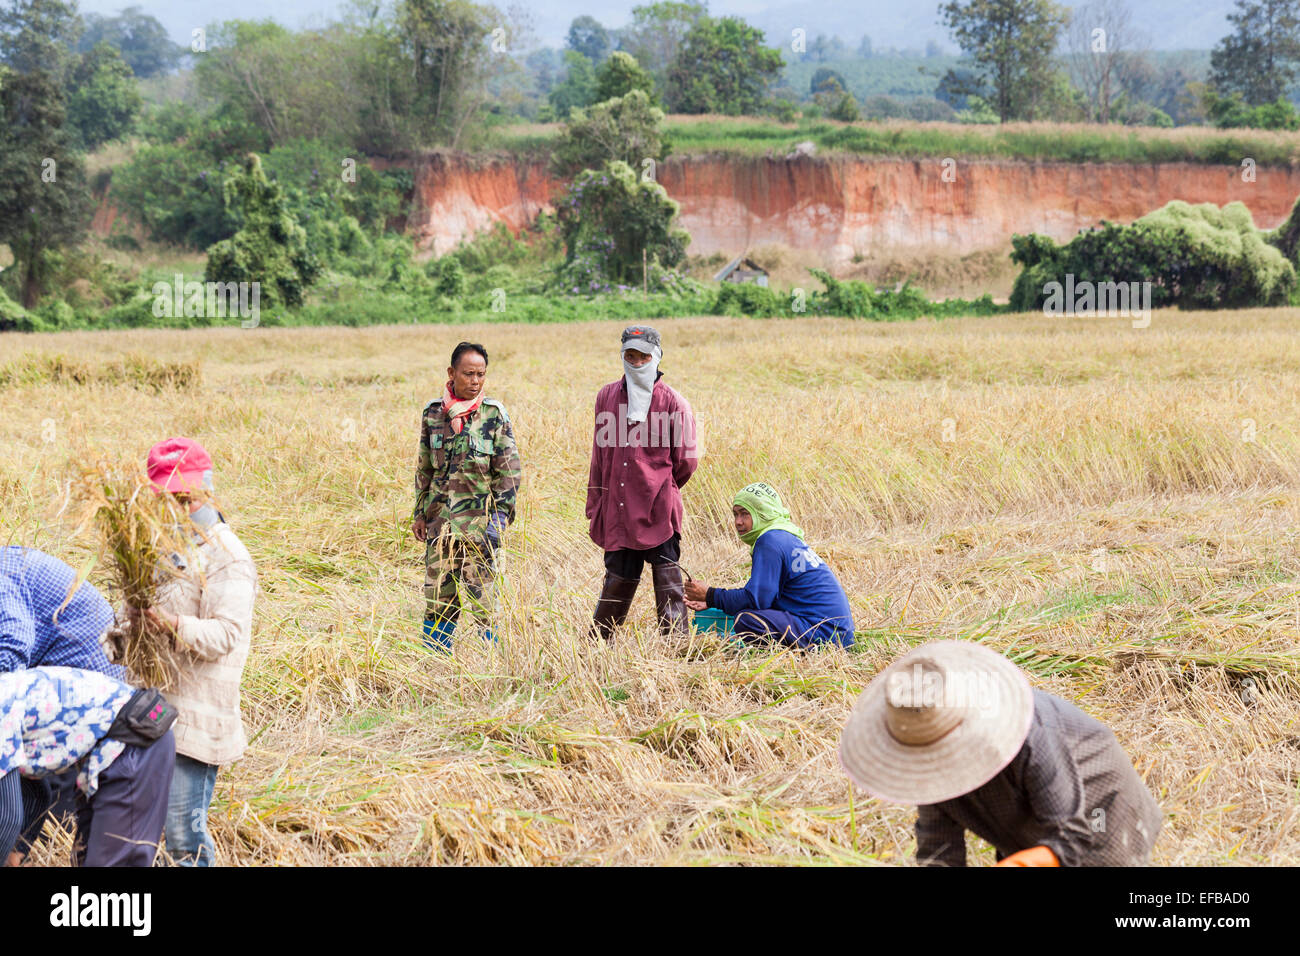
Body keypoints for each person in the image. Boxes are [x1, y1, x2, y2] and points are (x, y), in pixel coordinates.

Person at [838, 640, 1163, 867]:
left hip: (1099, 804)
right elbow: (939, 853)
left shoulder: (1030, 736)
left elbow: (1071, 837)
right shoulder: (931, 770)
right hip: (1022, 816)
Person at [121, 437, 257, 867]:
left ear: (207, 490)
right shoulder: (154, 550)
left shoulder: (227, 556)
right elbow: (129, 625)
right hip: (148, 713)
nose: (178, 509)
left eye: (186, 498)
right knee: (141, 832)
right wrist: (126, 631)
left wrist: (172, 624)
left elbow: (226, 635)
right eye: (167, 499)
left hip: (195, 721)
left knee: (184, 837)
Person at [0, 545, 124, 862]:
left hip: (84, 693)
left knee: (46, 805)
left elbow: (13, 647)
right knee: (33, 783)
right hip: (75, 688)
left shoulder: (2, 573)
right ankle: (18, 854)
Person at [587, 325, 699, 641]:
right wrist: (597, 502)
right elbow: (599, 455)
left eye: (644, 357)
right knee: (617, 576)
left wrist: (657, 485)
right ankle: (600, 643)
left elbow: (686, 461)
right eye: (630, 356)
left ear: (657, 357)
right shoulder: (606, 397)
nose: (637, 363)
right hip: (618, 508)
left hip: (658, 508)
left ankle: (676, 644)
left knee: (667, 578)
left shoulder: (674, 403)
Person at [0, 665, 175, 867]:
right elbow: (35, 793)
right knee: (84, 857)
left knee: (109, 863)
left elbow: (8, 818)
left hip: (137, 739)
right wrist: (17, 851)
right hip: (114, 744)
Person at [413, 342, 522, 650]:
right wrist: (419, 513)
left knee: (484, 602)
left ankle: (489, 659)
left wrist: (499, 519)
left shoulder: (493, 415)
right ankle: (436, 659)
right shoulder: (433, 414)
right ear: (452, 373)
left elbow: (509, 473)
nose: (475, 381)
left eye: (480, 374)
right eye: (468, 374)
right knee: (438, 598)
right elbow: (424, 468)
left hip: (480, 529)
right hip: (440, 526)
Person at [684, 482, 854, 648]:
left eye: (745, 514)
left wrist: (710, 595)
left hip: (824, 634)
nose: (738, 521)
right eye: (735, 514)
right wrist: (713, 602)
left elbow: (756, 600)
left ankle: (790, 653)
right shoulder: (784, 536)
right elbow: (765, 596)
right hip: (838, 632)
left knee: (746, 620)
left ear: (762, 513)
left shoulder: (769, 541)